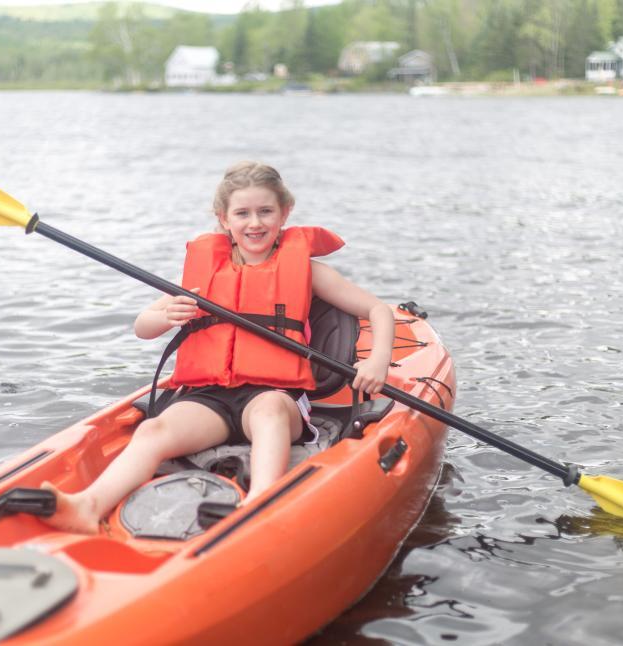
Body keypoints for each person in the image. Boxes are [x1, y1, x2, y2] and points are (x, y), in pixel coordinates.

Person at [42, 162, 394, 534]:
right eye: (242, 213)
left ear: (284, 213)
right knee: (152, 431)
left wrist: (379, 359)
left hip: (274, 395)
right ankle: (87, 506)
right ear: (224, 219)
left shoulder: (310, 271)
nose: (254, 223)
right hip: (209, 399)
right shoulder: (205, 272)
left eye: (265, 211)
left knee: (270, 412)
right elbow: (143, 328)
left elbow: (378, 309)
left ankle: (259, 502)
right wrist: (165, 315)